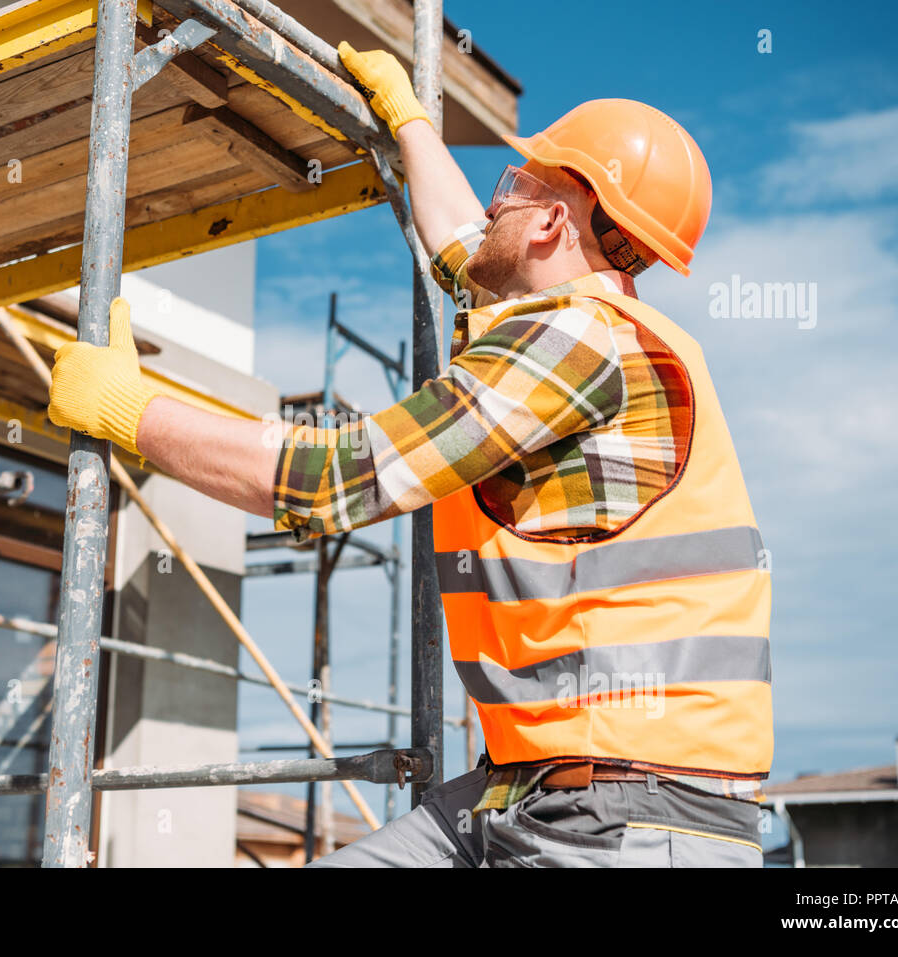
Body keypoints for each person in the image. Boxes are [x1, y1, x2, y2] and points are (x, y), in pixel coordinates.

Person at [46, 43, 773, 867]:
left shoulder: (577, 339)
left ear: (548, 224)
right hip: (537, 788)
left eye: (513, 189)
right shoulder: (587, 326)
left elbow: (331, 481)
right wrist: (410, 121)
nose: (495, 207)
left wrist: (128, 409)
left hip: (628, 820)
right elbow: (470, 253)